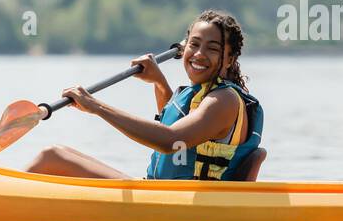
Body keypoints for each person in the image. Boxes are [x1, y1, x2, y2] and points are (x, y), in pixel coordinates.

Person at [26, 10, 263, 181]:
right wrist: (158, 82)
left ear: (230, 59)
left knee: (50, 158)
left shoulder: (224, 100)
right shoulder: (203, 95)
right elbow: (175, 123)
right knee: (55, 154)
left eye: (212, 48)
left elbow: (172, 141)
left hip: (180, 207)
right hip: (162, 196)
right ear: (185, 47)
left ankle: (0, 208)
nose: (199, 54)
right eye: (194, 44)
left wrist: (96, 106)